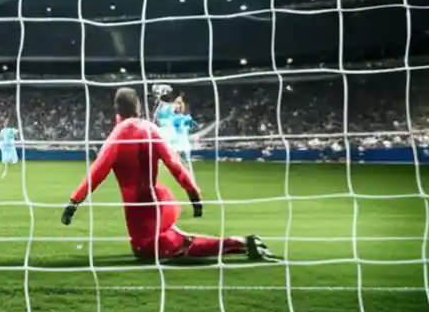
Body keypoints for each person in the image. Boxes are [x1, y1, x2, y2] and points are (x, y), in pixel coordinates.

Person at [61, 87, 275, 263]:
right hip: (160, 201)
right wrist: (193, 193)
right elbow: (174, 164)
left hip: (140, 209)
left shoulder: (117, 136)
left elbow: (98, 171)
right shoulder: (151, 129)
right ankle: (239, 243)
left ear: (116, 109)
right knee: (159, 244)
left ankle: (240, 243)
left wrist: (74, 202)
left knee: (148, 249)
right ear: (137, 106)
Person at [172, 96, 196, 176]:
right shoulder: (172, 118)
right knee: (177, 164)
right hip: (175, 144)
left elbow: (194, 126)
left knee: (187, 164)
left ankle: (191, 181)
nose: (177, 105)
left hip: (184, 143)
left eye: (179, 103)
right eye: (176, 103)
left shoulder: (187, 118)